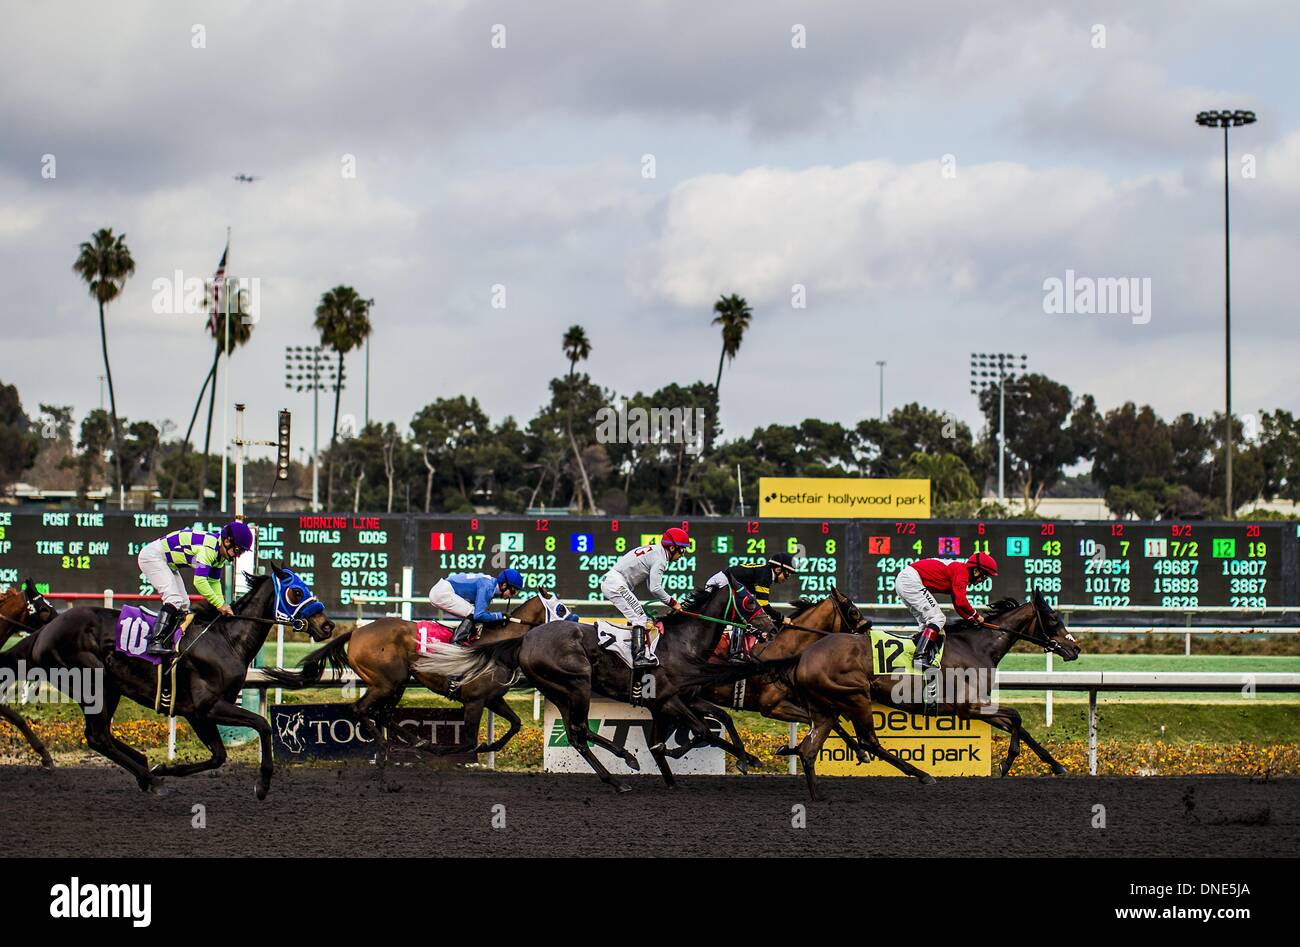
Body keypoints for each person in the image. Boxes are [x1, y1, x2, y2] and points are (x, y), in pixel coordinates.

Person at [137, 520, 254, 656]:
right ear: (227, 541)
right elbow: (199, 582)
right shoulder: (209, 549)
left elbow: (214, 581)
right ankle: (155, 642)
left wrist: (222, 605)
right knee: (174, 599)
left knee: (184, 604)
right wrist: (219, 604)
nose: (238, 556)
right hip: (152, 557)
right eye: (238, 550)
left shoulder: (220, 554)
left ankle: (170, 641)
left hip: (168, 562)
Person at [600, 527, 690, 667]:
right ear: (672, 548)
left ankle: (632, 651)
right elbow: (655, 588)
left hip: (614, 582)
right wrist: (674, 603)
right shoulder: (661, 559)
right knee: (639, 618)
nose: (683, 554)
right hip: (616, 583)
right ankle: (638, 657)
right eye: (682, 549)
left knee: (640, 617)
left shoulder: (656, 551)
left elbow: (650, 585)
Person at [894, 551, 999, 670]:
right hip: (910, 581)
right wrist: (976, 616)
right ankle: (919, 657)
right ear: (976, 571)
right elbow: (961, 601)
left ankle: (921, 655)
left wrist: (970, 619)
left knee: (927, 623)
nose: (983, 580)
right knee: (938, 619)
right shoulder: (962, 572)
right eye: (984, 576)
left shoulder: (960, 572)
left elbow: (957, 605)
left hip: (906, 580)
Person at [701, 551, 802, 661]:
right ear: (778, 569)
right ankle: (735, 653)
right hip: (722, 583)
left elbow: (759, 606)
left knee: (748, 613)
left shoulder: (765, 573)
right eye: (787, 574)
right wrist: (781, 618)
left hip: (726, 583)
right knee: (743, 616)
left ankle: (736, 651)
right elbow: (763, 605)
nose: (786, 578)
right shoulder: (766, 575)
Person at [428, 569, 525, 644]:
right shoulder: (488, 587)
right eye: (512, 591)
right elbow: (479, 615)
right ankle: (456, 643)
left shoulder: (490, 585)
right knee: (474, 613)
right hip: (442, 592)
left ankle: (462, 640)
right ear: (504, 585)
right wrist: (500, 616)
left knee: (475, 615)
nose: (512, 595)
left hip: (443, 590)